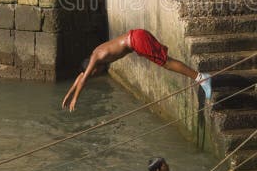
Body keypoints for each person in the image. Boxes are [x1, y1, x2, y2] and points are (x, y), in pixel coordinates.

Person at [61, 29, 212, 112]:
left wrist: (75, 99)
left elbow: (84, 79)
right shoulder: (95, 56)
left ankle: (202, 78)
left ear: (92, 68)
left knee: (167, 63)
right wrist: (68, 95)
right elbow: (82, 76)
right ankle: (200, 77)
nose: (97, 74)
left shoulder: (96, 57)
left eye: (94, 73)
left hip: (136, 40)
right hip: (137, 37)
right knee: (166, 62)